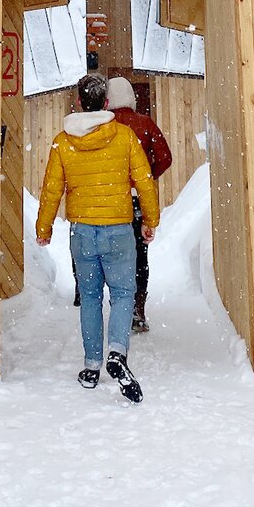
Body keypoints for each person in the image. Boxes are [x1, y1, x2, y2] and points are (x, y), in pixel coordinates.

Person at [36, 71, 159, 402]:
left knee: (90, 297)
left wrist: (44, 228)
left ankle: (91, 366)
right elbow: (145, 180)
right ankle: (117, 352)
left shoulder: (63, 142)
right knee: (122, 295)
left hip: (82, 232)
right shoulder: (123, 137)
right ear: (106, 103)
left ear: (79, 102)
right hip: (119, 229)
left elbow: (51, 189)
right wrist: (149, 219)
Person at [105, 76, 172, 333]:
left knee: (113, 255)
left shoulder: (104, 125)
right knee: (139, 256)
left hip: (110, 200)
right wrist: (147, 175)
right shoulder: (144, 123)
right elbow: (165, 157)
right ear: (131, 97)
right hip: (136, 199)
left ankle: (119, 307)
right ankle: (138, 309)